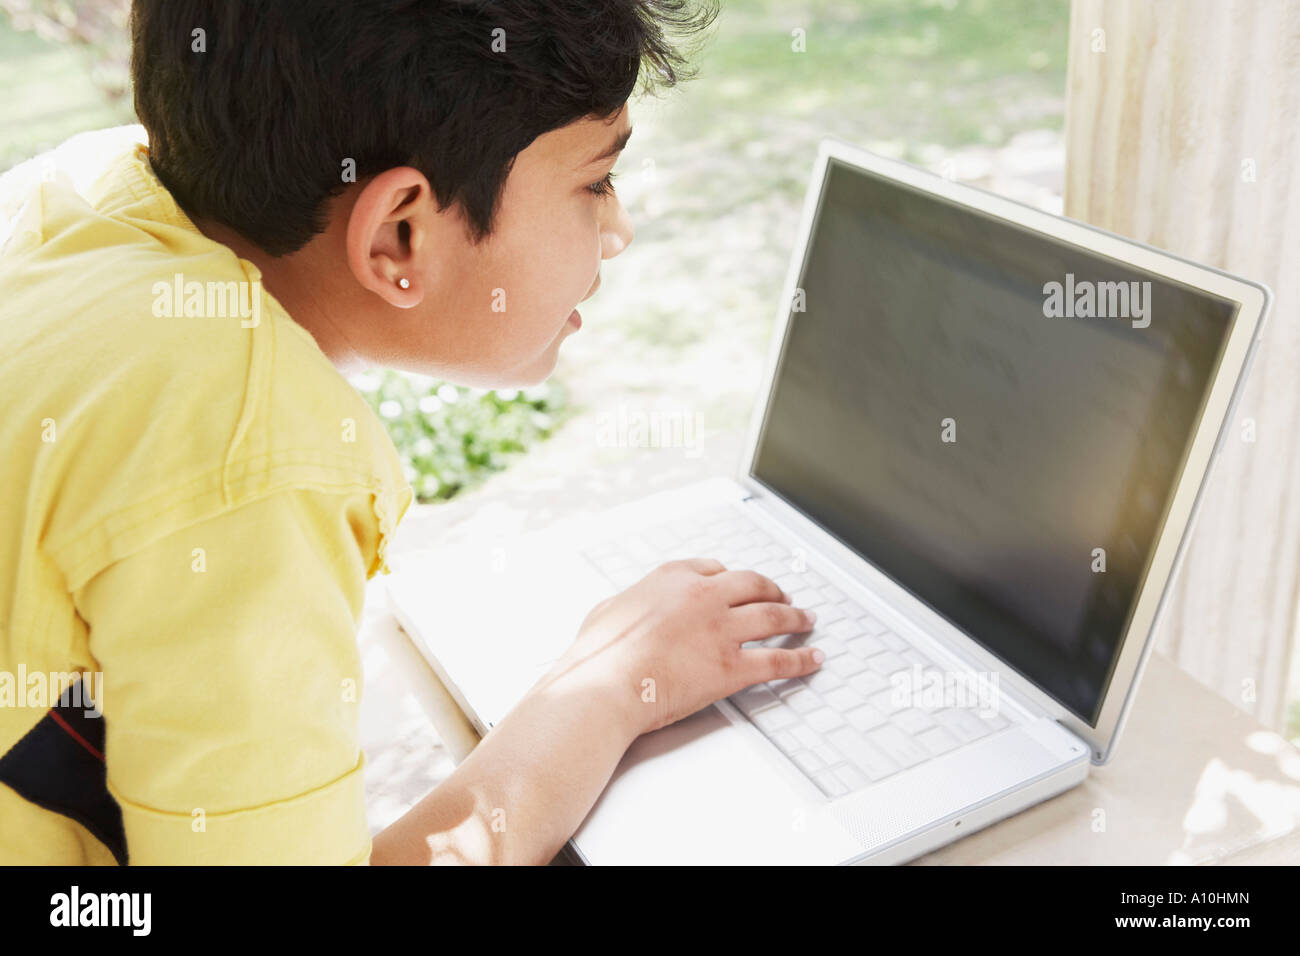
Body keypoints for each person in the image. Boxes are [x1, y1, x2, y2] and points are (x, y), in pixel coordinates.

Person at [0, 0, 821, 866]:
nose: (617, 231)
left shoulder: (74, 194)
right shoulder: (243, 445)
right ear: (399, 235)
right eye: (594, 183)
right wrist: (608, 687)